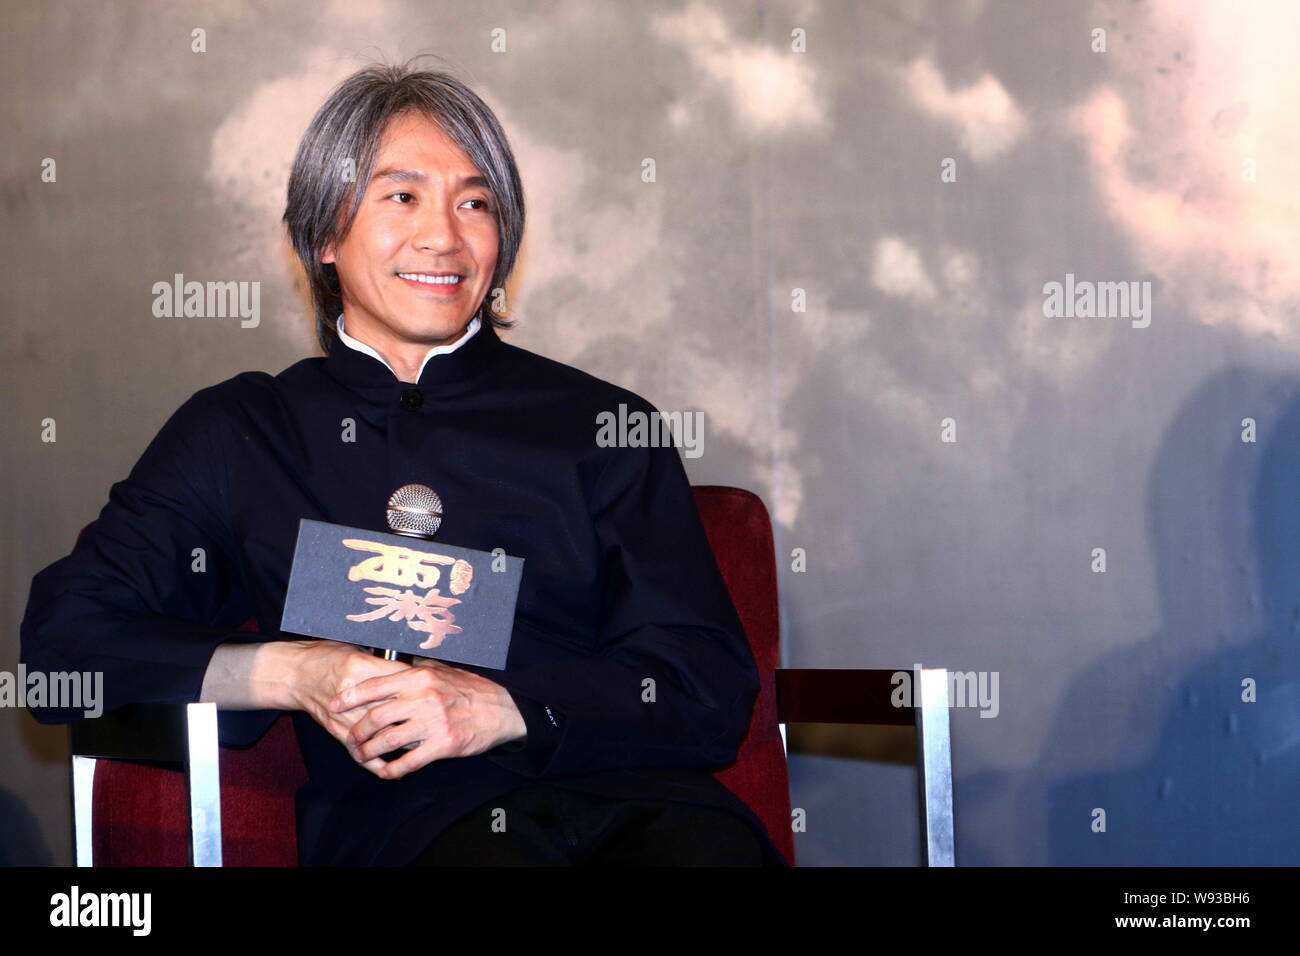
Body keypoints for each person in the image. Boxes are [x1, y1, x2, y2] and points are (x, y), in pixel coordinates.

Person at [20, 60, 787, 867]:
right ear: (323, 233)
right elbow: (63, 646)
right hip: (416, 827)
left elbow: (703, 679)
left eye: (476, 202)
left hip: (649, 808)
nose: (444, 236)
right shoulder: (244, 432)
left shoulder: (605, 424)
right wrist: (295, 671)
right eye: (402, 195)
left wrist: (504, 706)